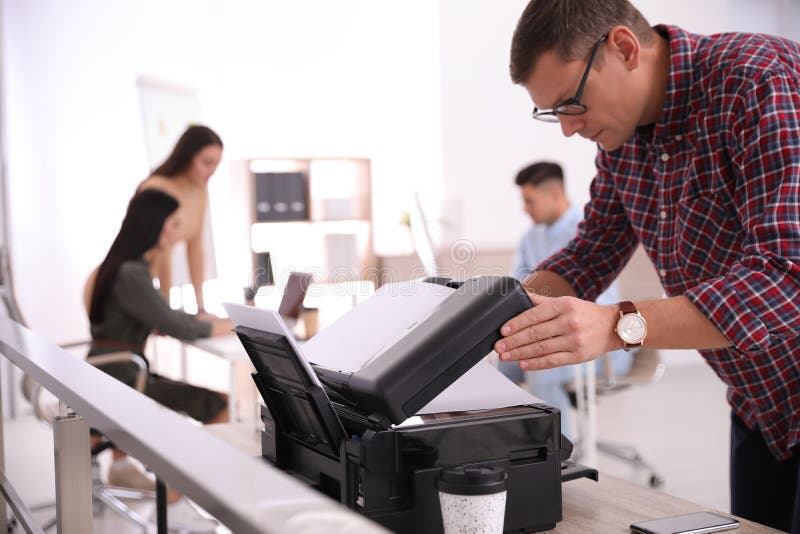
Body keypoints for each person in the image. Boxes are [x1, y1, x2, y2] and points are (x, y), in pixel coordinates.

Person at [495, 1, 800, 530]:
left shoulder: (758, 80)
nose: (567, 130)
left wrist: (617, 325)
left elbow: (785, 278)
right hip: (759, 404)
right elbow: (590, 252)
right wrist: (487, 314)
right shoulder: (622, 139)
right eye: (553, 112)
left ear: (624, 48)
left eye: (571, 103)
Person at [88, 189, 232, 533]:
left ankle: (172, 496)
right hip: (123, 379)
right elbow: (177, 325)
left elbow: (160, 316)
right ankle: (177, 503)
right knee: (218, 405)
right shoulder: (132, 273)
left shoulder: (119, 266)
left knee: (197, 399)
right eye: (173, 224)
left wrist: (170, 320)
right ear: (154, 225)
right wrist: (229, 323)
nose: (176, 233)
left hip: (107, 372)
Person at [498, 161, 632, 439]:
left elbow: (596, 307)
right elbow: (518, 289)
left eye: (529, 201)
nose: (525, 209)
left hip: (604, 342)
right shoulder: (530, 237)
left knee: (541, 373)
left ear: (555, 193)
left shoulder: (589, 231)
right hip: (549, 336)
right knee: (505, 360)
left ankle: (559, 456)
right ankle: (509, 446)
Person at [138, 125, 223, 312]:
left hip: (152, 290)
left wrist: (201, 306)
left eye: (216, 164)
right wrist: (165, 305)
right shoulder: (158, 188)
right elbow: (161, 250)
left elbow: (195, 247)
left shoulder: (200, 191)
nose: (212, 170)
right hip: (136, 282)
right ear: (187, 157)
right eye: (207, 163)